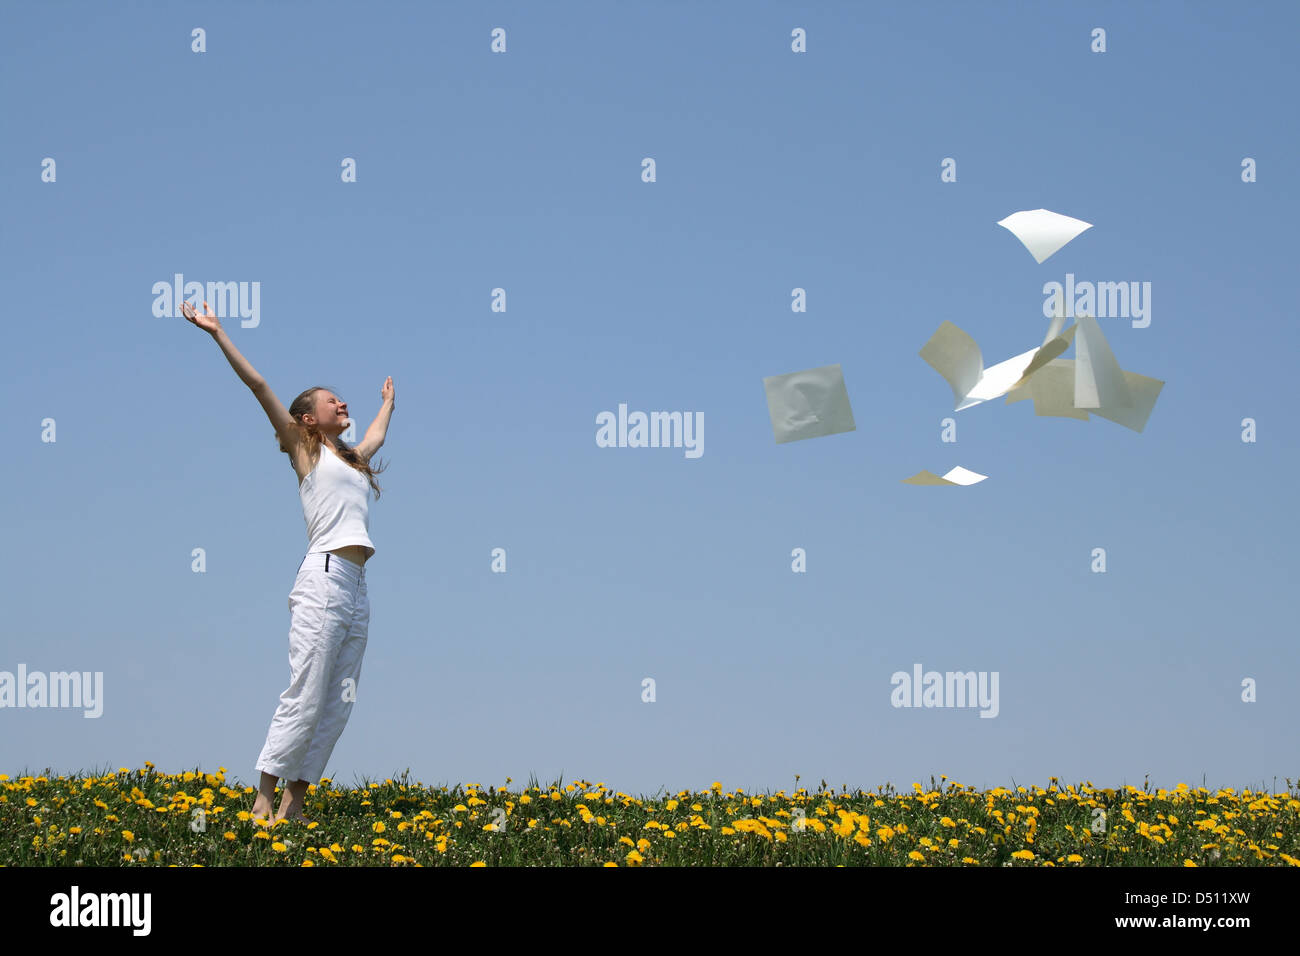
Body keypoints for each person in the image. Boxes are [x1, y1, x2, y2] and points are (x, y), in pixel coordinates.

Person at [181, 299, 394, 824]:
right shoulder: (306, 451)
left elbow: (374, 437)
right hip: (323, 577)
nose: (342, 403)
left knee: (337, 702)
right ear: (307, 418)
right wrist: (218, 333)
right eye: (331, 400)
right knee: (306, 692)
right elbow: (258, 386)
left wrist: (388, 403)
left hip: (357, 586)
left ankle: (294, 805)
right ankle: (263, 799)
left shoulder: (351, 459)